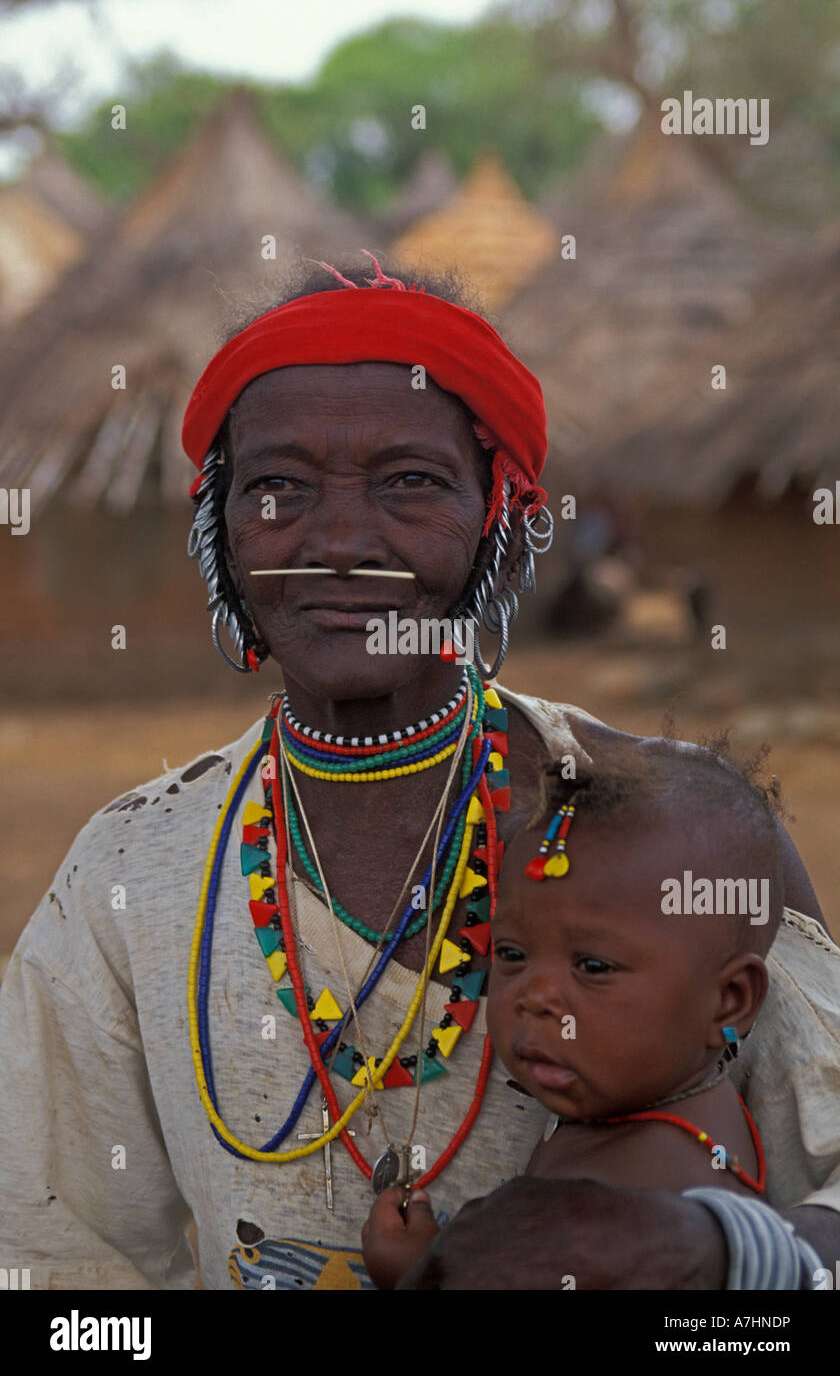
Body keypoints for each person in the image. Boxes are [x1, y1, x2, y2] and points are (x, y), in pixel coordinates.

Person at [0, 253, 838, 1292]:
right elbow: (51, 1250)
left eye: (410, 483)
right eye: (277, 488)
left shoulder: (668, 826)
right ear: (219, 527)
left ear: (499, 512)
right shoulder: (135, 867)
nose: (341, 540)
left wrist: (711, 1249)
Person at [362, 743, 825, 1288]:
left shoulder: (638, 1217)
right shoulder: (660, 1127)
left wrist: (418, 1276)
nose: (536, 998)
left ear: (730, 1001)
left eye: (594, 965)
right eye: (512, 954)